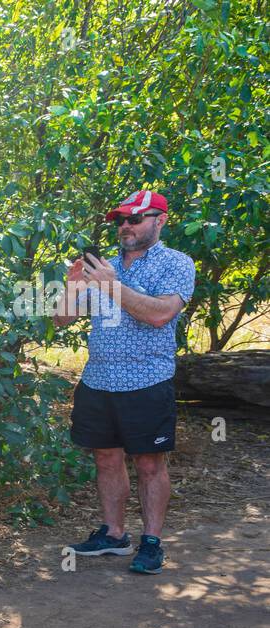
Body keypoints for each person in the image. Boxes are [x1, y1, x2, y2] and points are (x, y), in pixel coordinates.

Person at [54, 189, 196, 574]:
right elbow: (61, 320)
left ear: (160, 221)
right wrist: (71, 286)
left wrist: (111, 285)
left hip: (147, 381)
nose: (126, 226)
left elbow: (160, 315)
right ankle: (114, 535)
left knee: (150, 464)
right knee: (106, 458)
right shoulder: (103, 266)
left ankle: (151, 542)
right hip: (98, 380)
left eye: (135, 219)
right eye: (121, 220)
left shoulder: (176, 263)